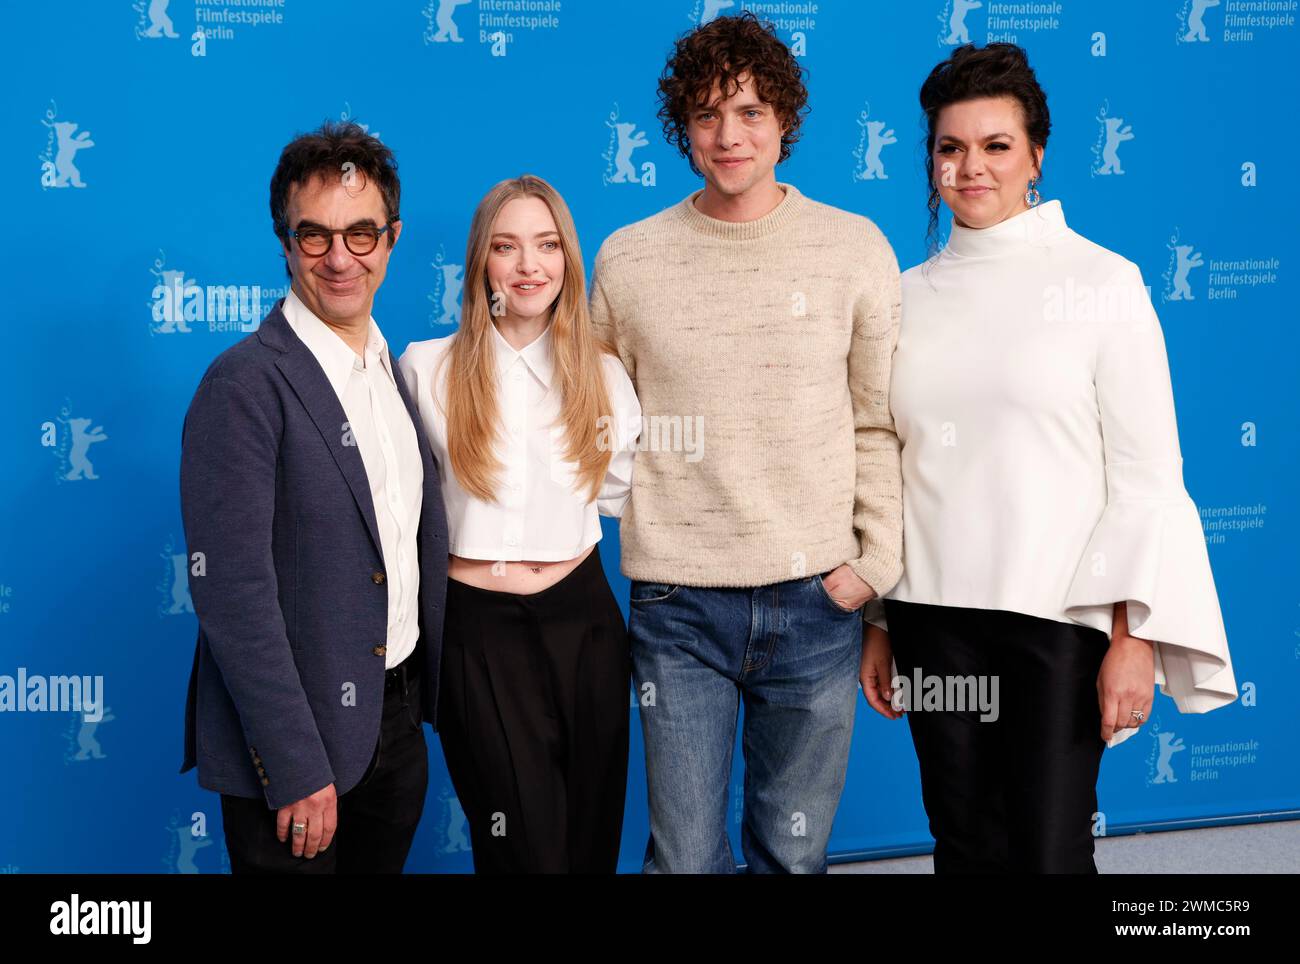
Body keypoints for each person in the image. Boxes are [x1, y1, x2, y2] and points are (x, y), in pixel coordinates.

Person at [859, 43, 1238, 873]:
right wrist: (881, 623)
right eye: (950, 147)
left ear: (1036, 155)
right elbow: (885, 460)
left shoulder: (1104, 284)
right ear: (930, 159)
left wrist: (1133, 637)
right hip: (930, 620)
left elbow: (1147, 476)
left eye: (996, 146)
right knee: (961, 844)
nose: (970, 168)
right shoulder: (900, 295)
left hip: (1059, 627)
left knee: (1049, 850)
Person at [588, 12, 904, 873]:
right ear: (683, 129)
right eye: (707, 114)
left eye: (752, 112)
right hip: (678, 605)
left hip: (817, 600)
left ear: (785, 125)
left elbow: (878, 421)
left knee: (790, 859)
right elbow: (591, 424)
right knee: (684, 860)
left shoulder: (854, 249)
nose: (729, 135)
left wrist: (874, 569)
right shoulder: (627, 259)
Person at [179, 120, 450, 873]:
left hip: (392, 727)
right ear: (285, 243)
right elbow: (231, 593)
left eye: (361, 234)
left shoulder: (393, 373)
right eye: (315, 236)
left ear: (391, 239)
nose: (340, 258)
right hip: (297, 752)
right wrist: (295, 767)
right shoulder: (244, 383)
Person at [398, 175, 641, 873]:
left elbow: (616, 493)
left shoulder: (604, 378)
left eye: (547, 245)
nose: (529, 266)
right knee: (520, 850)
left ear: (569, 259)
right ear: (481, 264)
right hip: (478, 635)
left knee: (587, 843)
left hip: (586, 625)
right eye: (506, 247)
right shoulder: (425, 369)